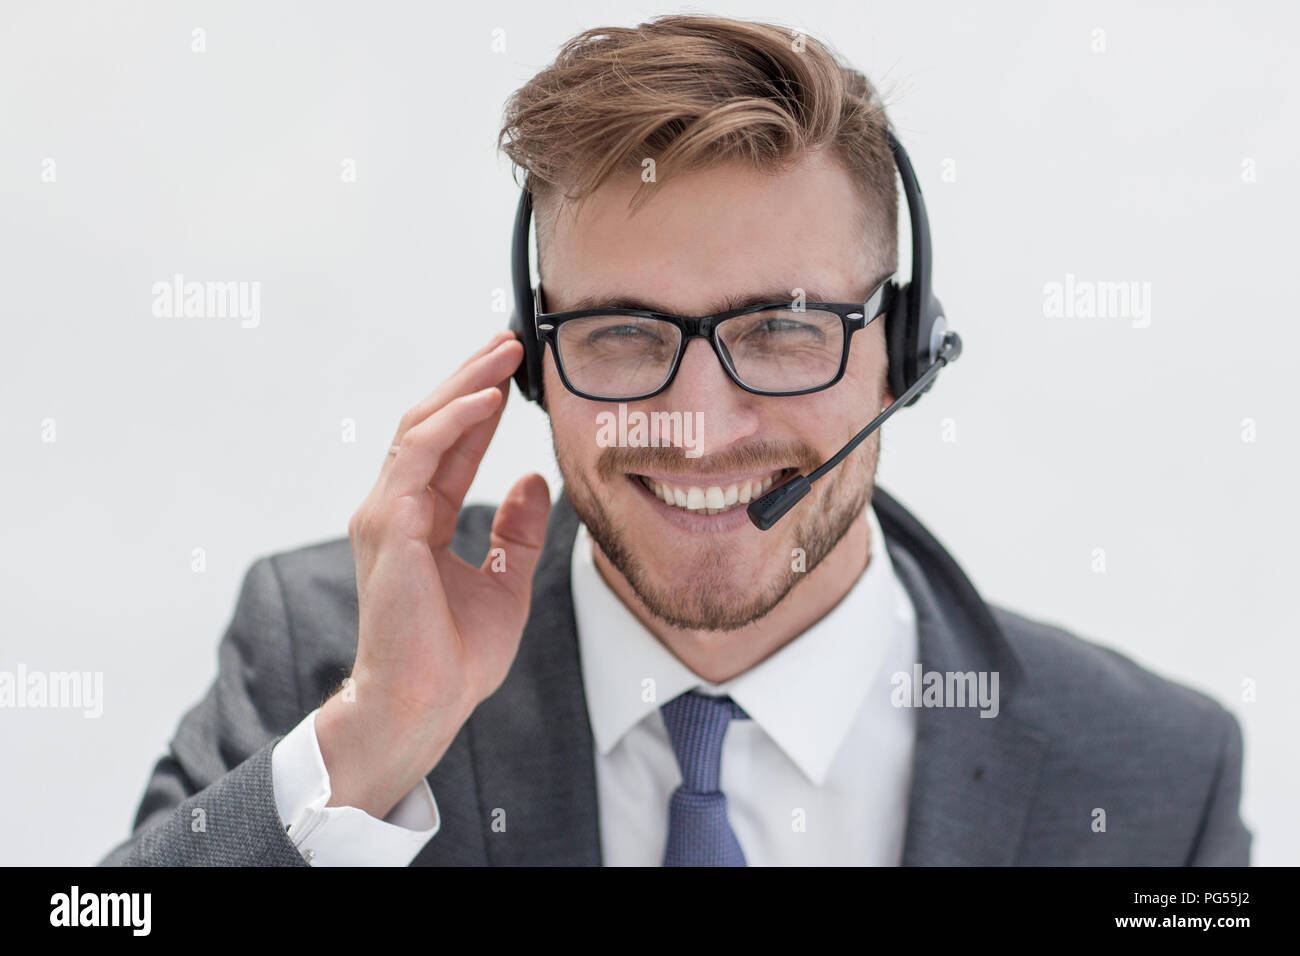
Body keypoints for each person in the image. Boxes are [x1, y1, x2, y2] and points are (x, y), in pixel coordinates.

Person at [100, 15, 1249, 867]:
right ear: (535, 357)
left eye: (783, 327)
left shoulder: (1152, 775)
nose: (696, 424)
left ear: (904, 348)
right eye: (621, 332)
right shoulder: (328, 652)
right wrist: (370, 744)